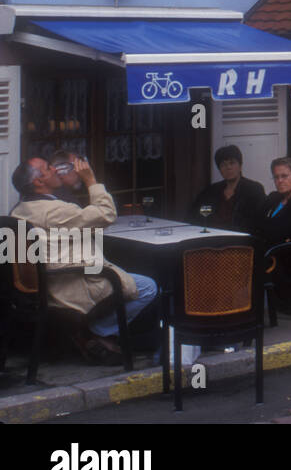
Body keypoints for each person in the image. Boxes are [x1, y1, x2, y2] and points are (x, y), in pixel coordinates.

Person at [10, 157, 158, 364]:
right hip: (71, 284)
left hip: (47, 283)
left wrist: (72, 184)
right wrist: (91, 181)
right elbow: (106, 214)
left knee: (117, 269)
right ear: (38, 182)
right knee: (148, 286)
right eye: (47, 168)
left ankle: (94, 333)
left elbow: (70, 215)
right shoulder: (54, 210)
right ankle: (94, 332)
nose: (54, 168)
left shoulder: (19, 209)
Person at [190, 144, 267, 233]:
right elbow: (194, 216)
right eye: (223, 164)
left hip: (239, 240)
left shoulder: (254, 189)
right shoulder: (210, 191)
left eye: (232, 163)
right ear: (219, 169)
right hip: (211, 238)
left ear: (240, 166)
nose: (228, 167)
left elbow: (258, 224)